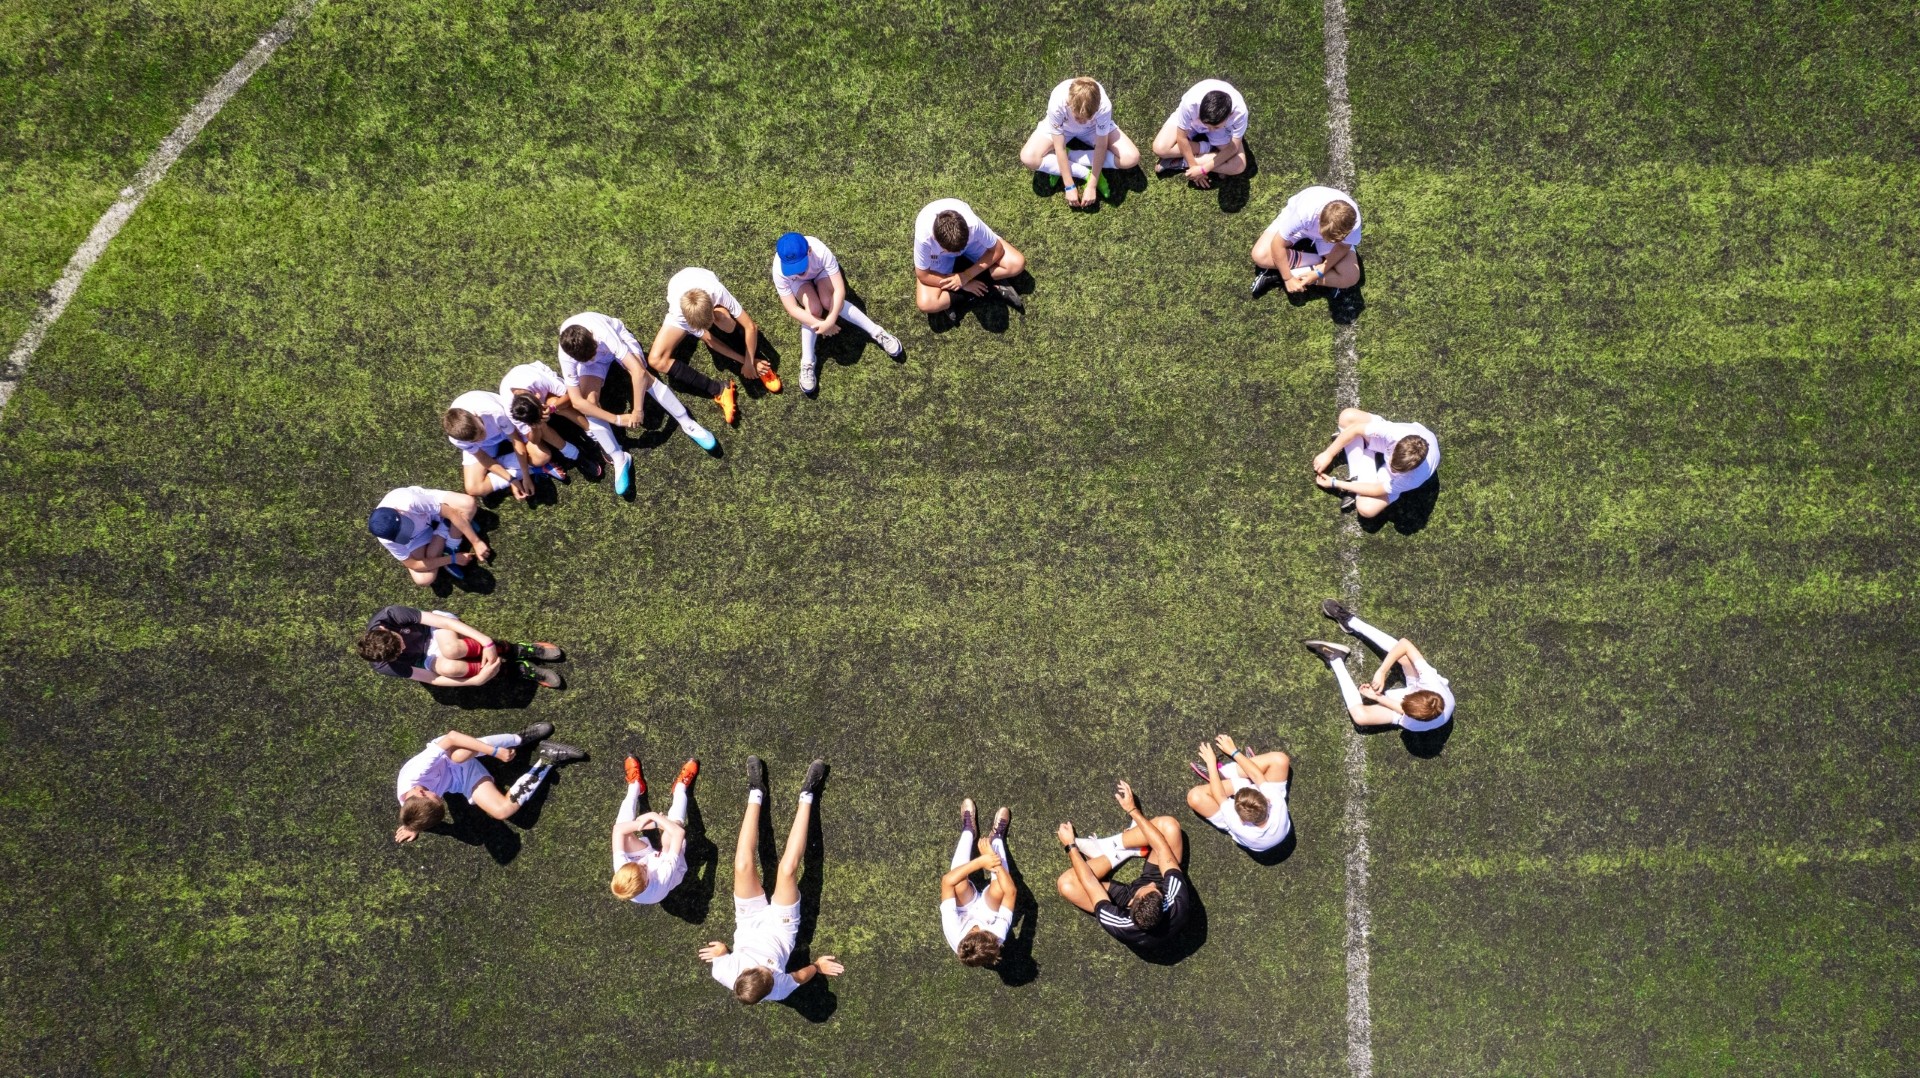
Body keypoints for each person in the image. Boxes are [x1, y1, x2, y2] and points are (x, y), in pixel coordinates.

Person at [700, 756, 844, 1004]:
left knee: (742, 864)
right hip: (781, 927)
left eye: (757, 969)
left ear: (743, 974)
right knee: (787, 869)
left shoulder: (723, 972)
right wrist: (818, 967)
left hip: (749, 920)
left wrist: (720, 951)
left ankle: (756, 791)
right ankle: (807, 794)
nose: (764, 967)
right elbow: (800, 976)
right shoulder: (779, 989)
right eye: (770, 972)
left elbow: (723, 952)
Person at [556, 311, 720, 496]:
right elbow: (578, 403)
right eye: (587, 359)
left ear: (593, 339)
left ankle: (688, 423)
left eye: (593, 354)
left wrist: (637, 410)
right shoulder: (567, 355)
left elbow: (637, 372)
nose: (593, 358)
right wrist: (618, 419)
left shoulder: (602, 333)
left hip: (619, 341)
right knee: (589, 403)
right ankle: (619, 458)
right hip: (590, 363)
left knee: (646, 376)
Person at [1054, 780, 1194, 951]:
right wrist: (1132, 810)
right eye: (1155, 889)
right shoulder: (1176, 899)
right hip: (1155, 896)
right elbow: (1161, 848)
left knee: (1066, 885)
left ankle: (1117, 851)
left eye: (1149, 888)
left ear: (1132, 904)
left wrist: (1070, 846)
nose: (1151, 884)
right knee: (1170, 827)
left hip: (1120, 901)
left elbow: (1089, 882)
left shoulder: (1119, 923)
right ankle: (1119, 846)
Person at [393, 723, 586, 843]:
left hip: (453, 753)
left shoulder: (417, 772)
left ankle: (519, 738)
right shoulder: (414, 807)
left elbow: (452, 737)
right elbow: (417, 814)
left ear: (420, 791)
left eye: (437, 798)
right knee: (502, 811)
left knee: (459, 755)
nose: (440, 798)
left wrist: (494, 752)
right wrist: (413, 827)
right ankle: (548, 758)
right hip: (459, 779)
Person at [769, 232, 904, 395]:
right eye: (792, 268)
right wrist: (823, 325)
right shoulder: (780, 270)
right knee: (814, 310)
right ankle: (807, 362)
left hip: (821, 273)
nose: (798, 272)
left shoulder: (820, 251)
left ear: (809, 251)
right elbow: (792, 308)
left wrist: (830, 321)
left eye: (800, 266)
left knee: (829, 301)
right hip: (798, 285)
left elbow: (840, 289)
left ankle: (877, 332)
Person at [1308, 600, 1456, 732]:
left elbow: (1401, 710)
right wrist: (1382, 671)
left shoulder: (1413, 723)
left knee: (1360, 717)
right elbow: (1404, 644)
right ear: (1423, 691)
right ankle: (1350, 621)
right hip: (1418, 688)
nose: (1404, 699)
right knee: (1404, 656)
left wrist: (1377, 698)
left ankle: (1335, 658)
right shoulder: (1431, 682)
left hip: (1414, 706)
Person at [651, 267, 774, 421]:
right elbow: (711, 341)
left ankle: (757, 357)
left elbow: (751, 326)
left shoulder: (717, 292)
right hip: (681, 300)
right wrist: (745, 362)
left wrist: (750, 362)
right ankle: (721, 390)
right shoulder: (679, 313)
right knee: (656, 360)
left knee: (726, 322)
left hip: (703, 289)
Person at [356, 606, 564, 689]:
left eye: (399, 642)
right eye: (399, 653)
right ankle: (514, 670)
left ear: (386, 629)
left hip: (433, 629)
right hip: (424, 656)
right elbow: (432, 678)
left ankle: (515, 650)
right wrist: (475, 681)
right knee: (450, 669)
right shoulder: (385, 665)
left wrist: (487, 642)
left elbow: (445, 623)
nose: (403, 648)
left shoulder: (391, 615)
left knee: (452, 649)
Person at [1017, 77, 1141, 207]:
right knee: (1028, 157)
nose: (1082, 121)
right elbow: (1060, 147)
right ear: (1068, 103)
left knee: (1131, 157)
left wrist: (1092, 185)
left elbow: (1101, 145)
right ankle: (1083, 172)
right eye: (1077, 117)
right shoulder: (1057, 102)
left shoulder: (1104, 106)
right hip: (1064, 128)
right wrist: (1069, 186)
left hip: (1092, 130)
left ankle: (1069, 159)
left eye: (1088, 117)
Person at [913, 198, 1027, 325]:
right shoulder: (924, 239)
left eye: (961, 248)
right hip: (939, 257)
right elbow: (923, 275)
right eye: (952, 251)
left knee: (1017, 263)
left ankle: (955, 295)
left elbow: (997, 249)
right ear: (936, 240)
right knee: (926, 303)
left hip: (971, 246)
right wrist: (964, 284)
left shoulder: (972, 224)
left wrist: (966, 276)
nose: (958, 254)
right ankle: (990, 283)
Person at [1311, 408, 1439, 518]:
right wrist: (1328, 453)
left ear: (1410, 470)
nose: (1391, 467)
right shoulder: (1394, 433)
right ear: (1396, 445)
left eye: (1397, 470)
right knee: (1347, 417)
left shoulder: (1413, 478)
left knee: (1366, 509)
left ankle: (1364, 454)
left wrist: (1335, 483)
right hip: (1387, 443)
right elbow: (1356, 428)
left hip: (1395, 475)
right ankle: (1363, 462)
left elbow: (1376, 489)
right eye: (1391, 462)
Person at [610, 753, 701, 906]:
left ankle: (635, 786)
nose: (643, 863)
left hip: (645, 868)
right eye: (643, 869)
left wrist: (652, 824)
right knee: (670, 834)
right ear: (645, 883)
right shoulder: (662, 878)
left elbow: (618, 829)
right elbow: (679, 833)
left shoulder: (622, 870)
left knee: (624, 835)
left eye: (636, 864)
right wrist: (657, 818)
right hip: (669, 866)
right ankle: (681, 787)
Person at [939, 799, 1014, 967]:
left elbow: (947, 881)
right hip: (988, 912)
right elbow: (1011, 892)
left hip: (964, 908)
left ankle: (968, 830)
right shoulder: (996, 937)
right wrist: (992, 860)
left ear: (972, 931)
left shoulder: (953, 929)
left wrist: (981, 862)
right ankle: (997, 839)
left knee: (957, 883)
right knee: (1000, 888)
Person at [1184, 735, 1291, 852]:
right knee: (1281, 760)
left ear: (1242, 820)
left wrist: (1211, 763)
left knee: (1195, 797)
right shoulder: (1276, 802)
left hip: (1236, 819)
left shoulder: (1236, 822)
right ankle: (1243, 777)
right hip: (1276, 829)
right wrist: (1233, 751)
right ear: (1267, 800)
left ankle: (1226, 776)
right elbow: (1257, 775)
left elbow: (1219, 795)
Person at [1251, 185, 1362, 298]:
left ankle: (1283, 273)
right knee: (1260, 255)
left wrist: (1319, 272)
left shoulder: (1353, 223)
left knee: (1350, 277)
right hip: (1303, 226)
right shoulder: (1303, 213)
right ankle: (1314, 261)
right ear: (1319, 218)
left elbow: (1343, 247)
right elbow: (1277, 244)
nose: (1327, 241)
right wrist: (1287, 278)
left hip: (1317, 226)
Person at [498, 360, 600, 481]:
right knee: (540, 427)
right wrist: (536, 426)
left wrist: (553, 407)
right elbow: (534, 440)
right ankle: (574, 454)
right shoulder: (513, 411)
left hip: (545, 389)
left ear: (537, 396)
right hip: (533, 408)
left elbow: (572, 394)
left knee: (557, 405)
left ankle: (595, 433)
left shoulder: (537, 380)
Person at [367, 486, 489, 587]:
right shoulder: (385, 537)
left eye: (405, 527)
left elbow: (451, 512)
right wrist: (452, 559)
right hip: (417, 538)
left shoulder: (410, 501)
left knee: (468, 504)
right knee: (423, 579)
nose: (407, 532)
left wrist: (476, 542)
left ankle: (451, 541)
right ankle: (446, 528)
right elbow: (413, 564)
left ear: (399, 511)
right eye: (400, 535)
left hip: (430, 513)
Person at [442, 389, 550, 501]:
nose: (481, 439)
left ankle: (504, 465)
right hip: (486, 446)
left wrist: (526, 476)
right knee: (473, 488)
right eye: (474, 441)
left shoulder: (494, 412)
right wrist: (512, 480)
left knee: (542, 456)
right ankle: (536, 469)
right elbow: (482, 457)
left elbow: (516, 441)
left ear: (475, 415)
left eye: (481, 433)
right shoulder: (457, 439)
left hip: (505, 432)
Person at [1152, 79, 1249, 187]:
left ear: (1230, 115)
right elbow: (1181, 137)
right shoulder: (1190, 103)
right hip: (1193, 122)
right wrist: (1193, 166)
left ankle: (1181, 162)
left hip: (1221, 131)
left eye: (1215, 127)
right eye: (1206, 124)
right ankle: (1206, 148)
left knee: (1238, 165)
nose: (1209, 130)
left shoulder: (1240, 113)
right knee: (1160, 148)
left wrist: (1203, 169)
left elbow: (1233, 147)